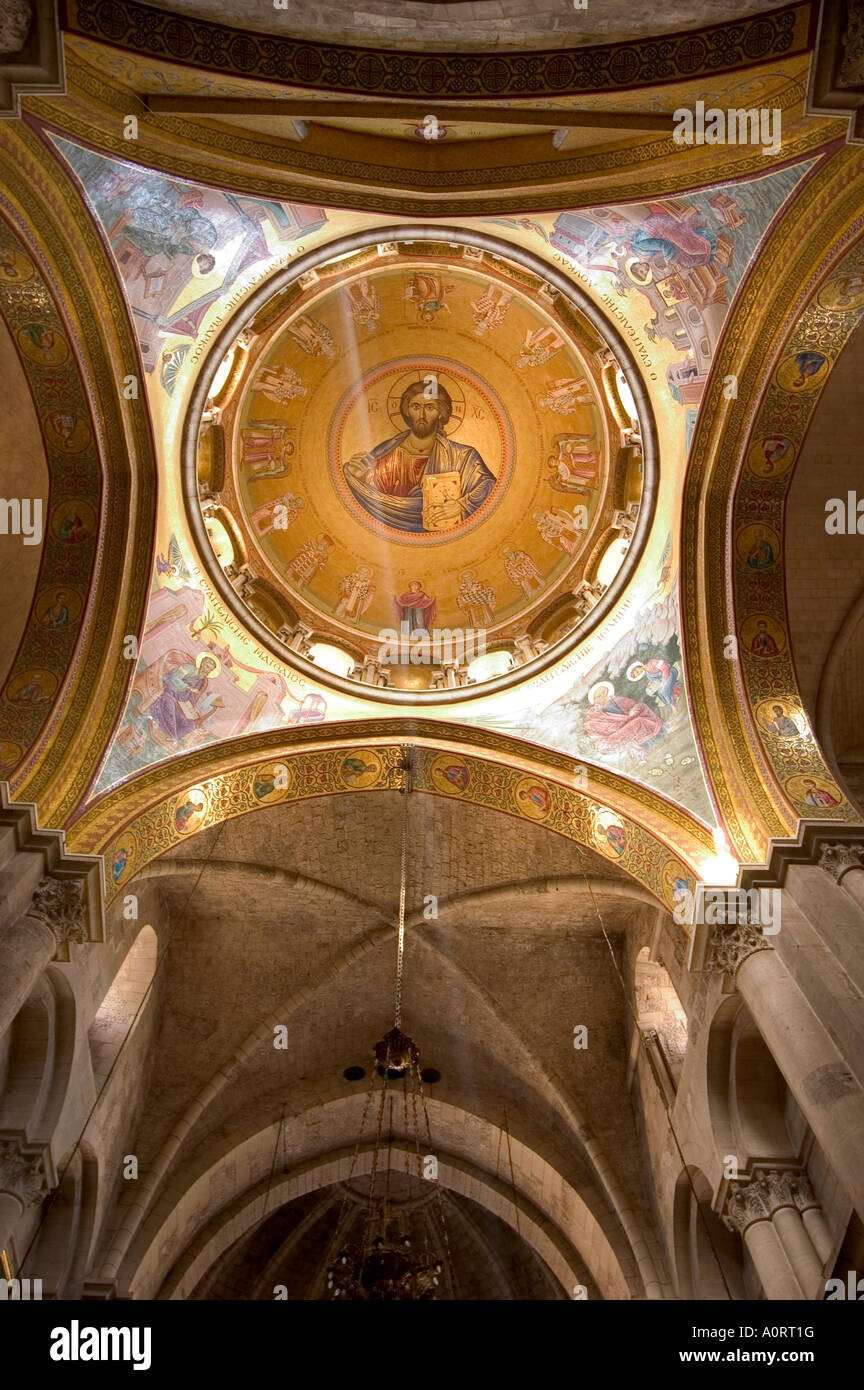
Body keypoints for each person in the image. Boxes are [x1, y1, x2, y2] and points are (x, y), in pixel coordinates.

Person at [344, 381, 495, 533]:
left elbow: (489, 487)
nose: (421, 415)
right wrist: (359, 478)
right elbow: (374, 501)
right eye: (416, 407)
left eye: (430, 407)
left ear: (441, 412)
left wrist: (461, 505)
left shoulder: (463, 457)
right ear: (407, 411)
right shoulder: (386, 456)